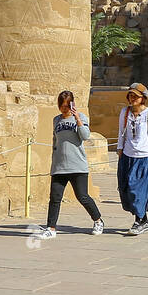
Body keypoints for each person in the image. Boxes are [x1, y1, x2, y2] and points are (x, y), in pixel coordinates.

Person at [38, 90, 104, 239]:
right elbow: (55, 141)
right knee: (55, 198)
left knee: (83, 196)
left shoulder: (81, 117)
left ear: (72, 104)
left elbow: (85, 136)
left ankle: (98, 220)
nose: (64, 109)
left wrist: (77, 118)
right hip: (59, 166)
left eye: (67, 105)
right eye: (62, 105)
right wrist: (53, 163)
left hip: (77, 165)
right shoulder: (56, 120)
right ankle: (51, 228)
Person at [117, 83, 148, 235]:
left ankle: (139, 221)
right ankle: (143, 220)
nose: (132, 98)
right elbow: (121, 132)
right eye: (130, 95)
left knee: (138, 191)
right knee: (127, 188)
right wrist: (120, 149)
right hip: (128, 157)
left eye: (135, 96)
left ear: (143, 98)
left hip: (144, 157)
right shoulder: (125, 112)